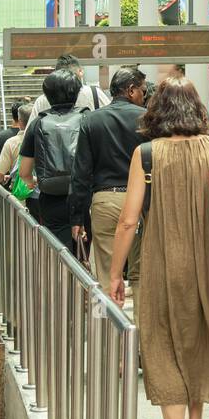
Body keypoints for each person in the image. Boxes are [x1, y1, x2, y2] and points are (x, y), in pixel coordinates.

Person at [109, 76, 209, 419]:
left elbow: (128, 221)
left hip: (161, 265)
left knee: (163, 349)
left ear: (156, 109)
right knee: (202, 339)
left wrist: (114, 274)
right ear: (196, 108)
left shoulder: (146, 154)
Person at [68, 67, 148, 291]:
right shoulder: (146, 120)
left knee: (106, 272)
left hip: (104, 200)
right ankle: (141, 325)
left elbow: (81, 172)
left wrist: (77, 218)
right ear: (131, 90)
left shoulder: (92, 120)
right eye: (143, 91)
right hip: (141, 201)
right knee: (140, 272)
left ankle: (108, 324)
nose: (144, 97)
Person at [19, 69, 88, 251]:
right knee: (82, 246)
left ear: (47, 95)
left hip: (50, 196)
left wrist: (33, 181)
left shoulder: (37, 123)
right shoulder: (88, 119)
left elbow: (24, 171)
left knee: (58, 251)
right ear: (76, 92)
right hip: (83, 196)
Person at [25, 54, 108, 129]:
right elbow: (110, 119)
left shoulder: (43, 100)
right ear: (80, 71)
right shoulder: (94, 93)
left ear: (56, 73)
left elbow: (30, 132)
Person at [0, 101, 34, 194]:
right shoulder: (46, 138)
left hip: (22, 194)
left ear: (19, 121)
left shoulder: (11, 142)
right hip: (45, 193)